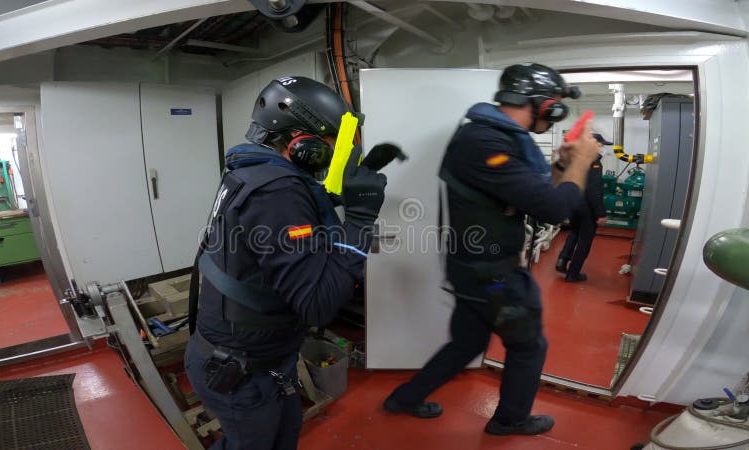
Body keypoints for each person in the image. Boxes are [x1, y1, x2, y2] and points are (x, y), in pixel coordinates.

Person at [382, 63, 601, 436]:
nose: (556, 114)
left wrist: (562, 166)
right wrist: (581, 162)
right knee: (529, 346)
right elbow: (555, 209)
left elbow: (530, 192)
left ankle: (403, 399)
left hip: (474, 269)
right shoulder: (484, 142)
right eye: (556, 106)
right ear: (542, 104)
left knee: (468, 342)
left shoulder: (495, 138)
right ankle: (509, 420)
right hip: (492, 276)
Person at [185, 76, 389, 450]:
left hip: (256, 358)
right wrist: (360, 220)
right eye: (332, 146)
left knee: (283, 437)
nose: (334, 156)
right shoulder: (278, 191)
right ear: (302, 144)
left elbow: (296, 223)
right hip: (242, 370)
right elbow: (318, 305)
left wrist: (344, 194)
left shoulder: (253, 169)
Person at [556, 133, 609, 282]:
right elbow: (594, 190)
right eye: (600, 145)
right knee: (585, 240)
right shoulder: (594, 161)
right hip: (586, 207)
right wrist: (601, 213)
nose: (602, 148)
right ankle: (573, 274)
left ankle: (562, 260)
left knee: (574, 232)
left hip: (573, 203)